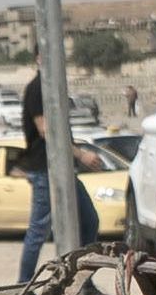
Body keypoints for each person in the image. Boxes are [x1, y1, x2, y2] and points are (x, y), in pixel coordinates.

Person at [14, 70, 101, 282]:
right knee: (38, 231)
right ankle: (23, 285)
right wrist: (81, 154)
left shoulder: (54, 88)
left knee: (89, 222)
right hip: (45, 170)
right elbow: (46, 131)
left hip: (63, 169)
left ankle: (82, 283)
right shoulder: (37, 87)